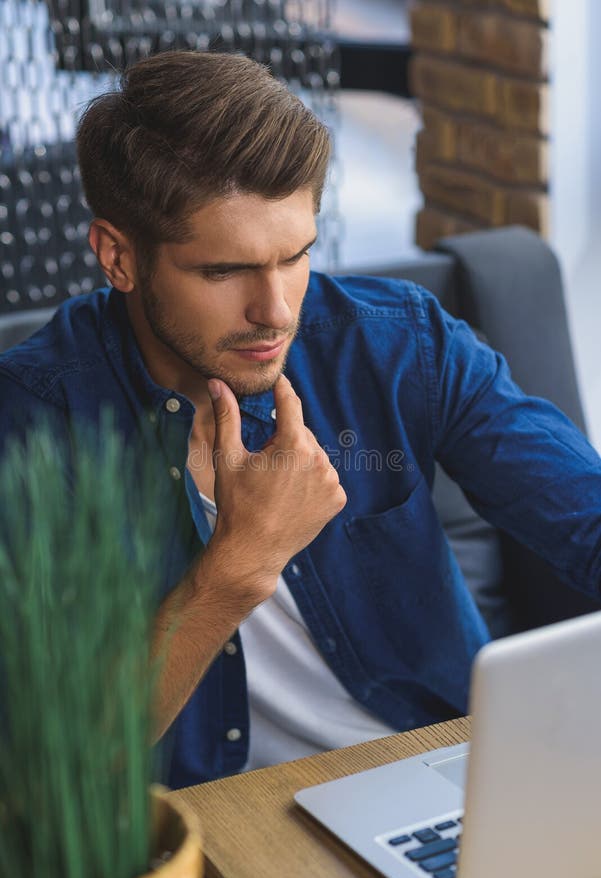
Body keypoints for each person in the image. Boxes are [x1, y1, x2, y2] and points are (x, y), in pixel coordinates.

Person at [1, 50, 601, 789]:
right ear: (117, 256)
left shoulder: (399, 342)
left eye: (296, 255)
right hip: (209, 830)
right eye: (223, 272)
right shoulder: (32, 427)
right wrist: (240, 562)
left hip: (441, 776)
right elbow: (49, 764)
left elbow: (585, 518)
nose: (275, 311)